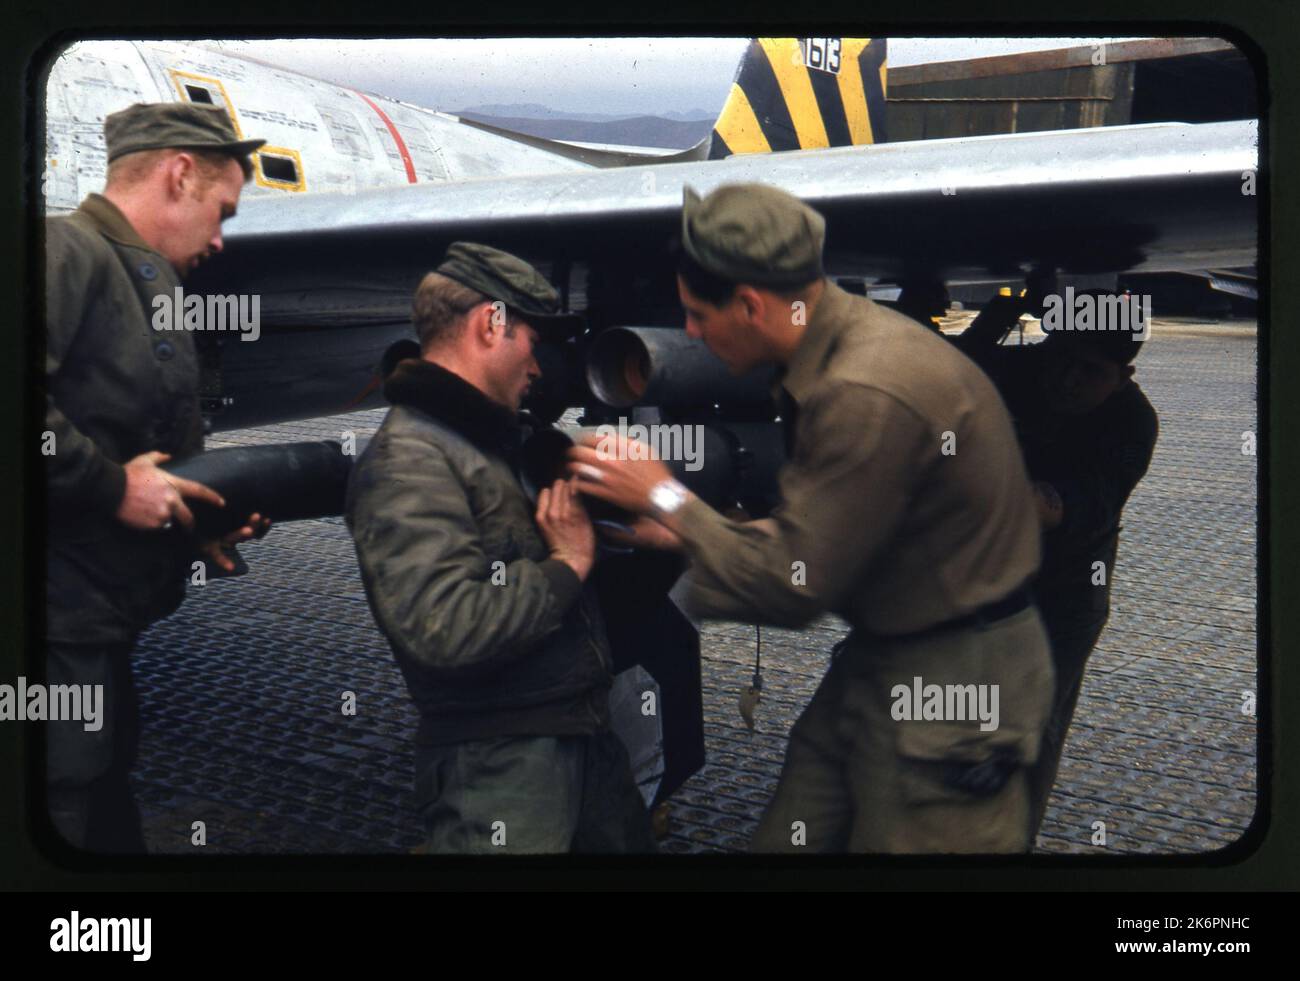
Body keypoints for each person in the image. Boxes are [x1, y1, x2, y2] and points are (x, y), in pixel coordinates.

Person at [567, 183, 1055, 853]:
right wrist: (687, 531)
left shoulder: (864, 387)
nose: (689, 334)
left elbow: (796, 583)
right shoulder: (828, 347)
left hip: (958, 683)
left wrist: (666, 496)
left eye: (697, 315)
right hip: (884, 653)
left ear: (748, 303)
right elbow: (825, 532)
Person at [345, 242, 655, 854]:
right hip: (499, 770)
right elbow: (446, 630)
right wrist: (567, 564)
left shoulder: (495, 438)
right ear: (491, 324)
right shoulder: (409, 462)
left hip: (580, 738)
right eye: (532, 344)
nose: (538, 368)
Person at [45, 102, 269, 852]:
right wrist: (115, 488)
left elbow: (124, 443)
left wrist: (190, 521)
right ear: (178, 174)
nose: (218, 238)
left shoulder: (139, 277)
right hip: (52, 633)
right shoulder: (63, 253)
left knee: (101, 802)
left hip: (96, 629)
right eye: (221, 211)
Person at [951, 291, 1159, 825]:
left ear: (1124, 375)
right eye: (1060, 358)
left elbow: (1090, 505)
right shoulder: (1027, 368)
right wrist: (1003, 309)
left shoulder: (1132, 423)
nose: (1067, 379)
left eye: (1088, 371)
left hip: (1061, 598)